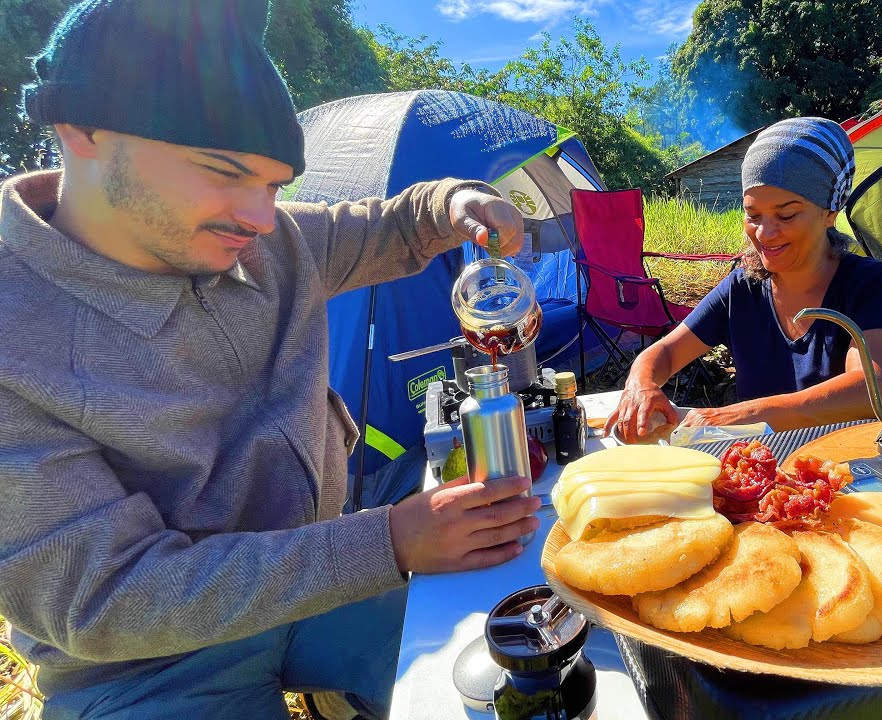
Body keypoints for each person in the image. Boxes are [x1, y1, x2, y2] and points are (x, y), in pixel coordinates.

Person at [0, 1, 540, 718]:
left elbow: (391, 225)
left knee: (501, 679)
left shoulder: (270, 240)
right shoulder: (14, 337)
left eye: (275, 185)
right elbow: (105, 597)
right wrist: (388, 542)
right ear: (81, 129)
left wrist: (457, 200)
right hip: (143, 667)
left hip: (315, 579)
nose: (260, 218)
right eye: (224, 172)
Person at [607, 117, 882, 444]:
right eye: (753, 215)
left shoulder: (873, 284)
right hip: (769, 463)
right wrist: (641, 385)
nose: (764, 233)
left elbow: (868, 390)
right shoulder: (742, 289)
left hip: (856, 462)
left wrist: (743, 414)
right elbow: (665, 353)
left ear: (830, 212)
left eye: (786, 215)